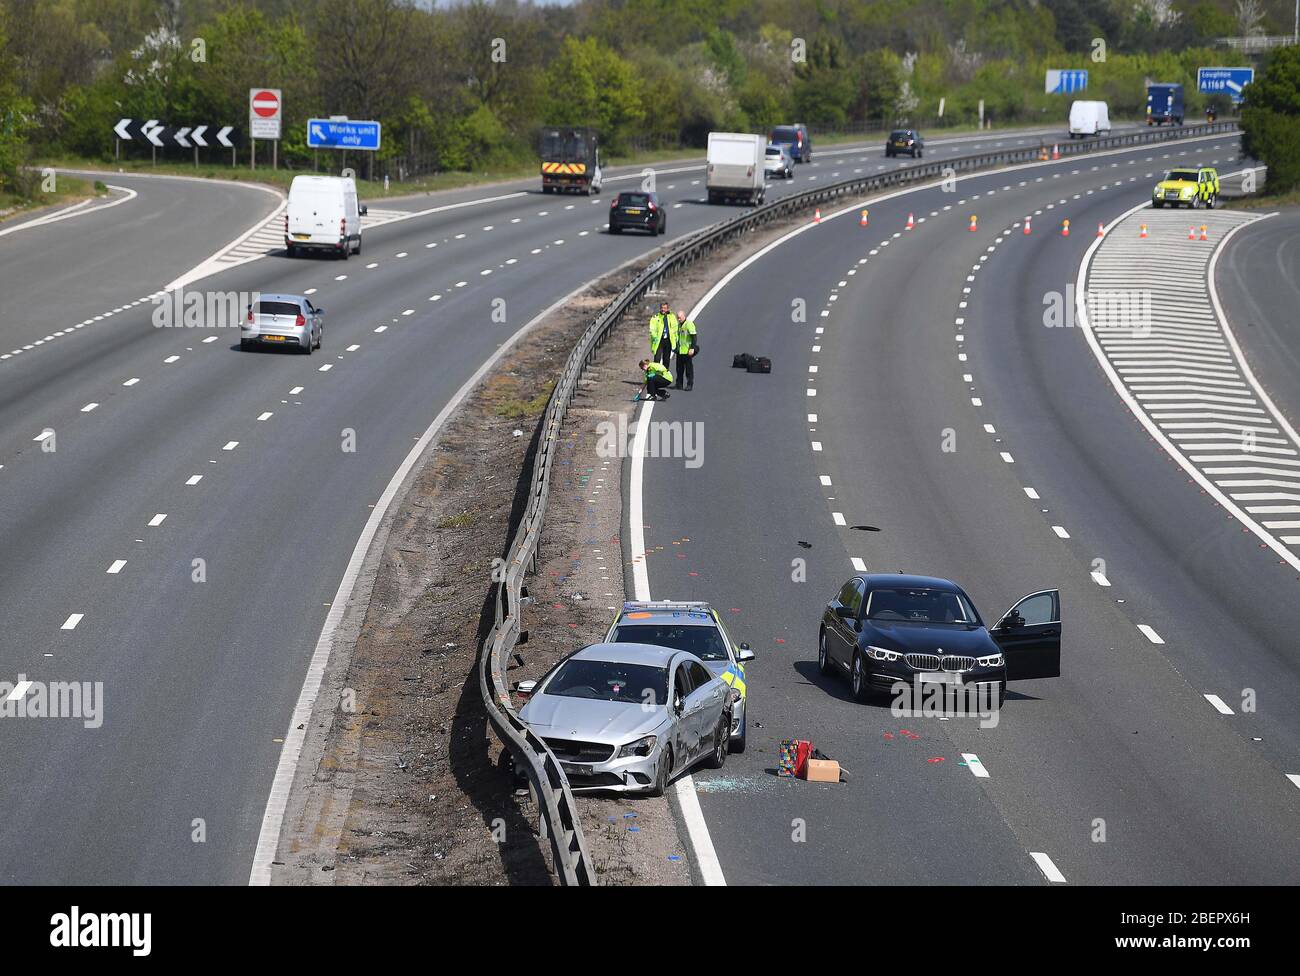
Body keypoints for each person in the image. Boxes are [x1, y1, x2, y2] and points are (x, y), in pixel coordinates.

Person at [648, 302, 678, 368]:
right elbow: (652, 329)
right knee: (657, 359)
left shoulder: (672, 317)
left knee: (666, 360)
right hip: (659, 341)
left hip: (668, 341)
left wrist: (676, 341)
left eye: (664, 308)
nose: (663, 310)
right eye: (662, 308)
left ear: (667, 309)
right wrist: (654, 336)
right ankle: (656, 374)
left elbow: (675, 329)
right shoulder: (656, 317)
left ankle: (664, 375)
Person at [674, 309, 698, 390]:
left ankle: (689, 384)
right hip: (680, 351)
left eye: (680, 318)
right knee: (679, 369)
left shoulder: (689, 324)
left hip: (687, 351)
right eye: (678, 318)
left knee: (688, 369)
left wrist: (692, 348)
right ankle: (679, 384)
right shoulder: (679, 325)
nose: (679, 319)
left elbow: (694, 337)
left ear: (684, 316)